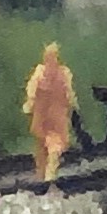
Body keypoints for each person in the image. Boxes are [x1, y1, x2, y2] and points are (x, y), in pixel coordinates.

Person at [24, 37, 79, 189]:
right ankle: (43, 174)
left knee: (54, 144)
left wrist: (72, 103)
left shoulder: (63, 72)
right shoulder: (40, 72)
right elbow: (32, 90)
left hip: (56, 111)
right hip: (44, 112)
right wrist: (30, 104)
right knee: (43, 145)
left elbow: (68, 92)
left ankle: (49, 176)